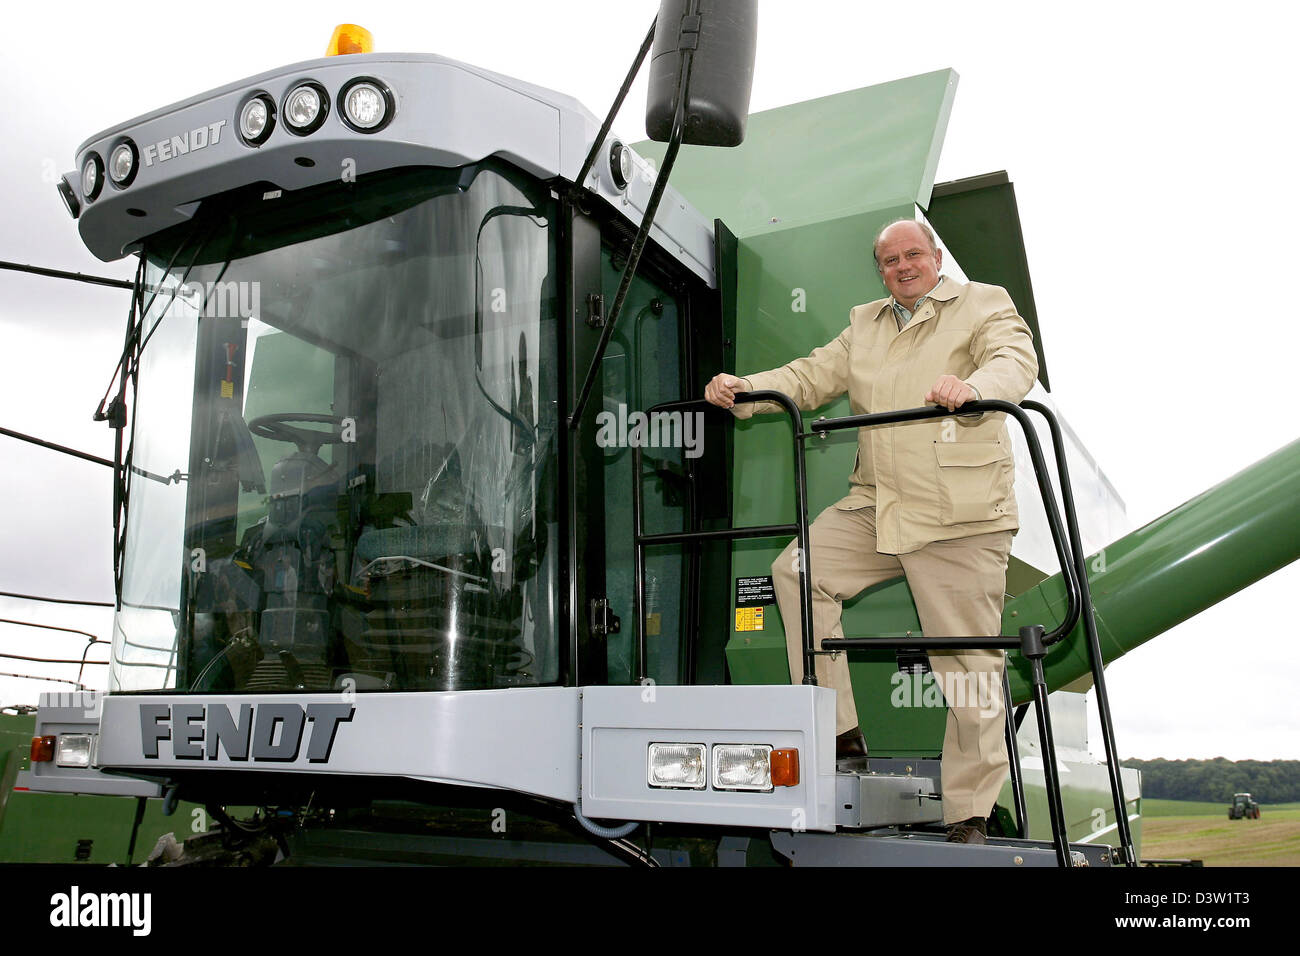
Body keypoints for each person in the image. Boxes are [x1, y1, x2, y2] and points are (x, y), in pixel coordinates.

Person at [704, 218, 1038, 843]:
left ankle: (970, 811)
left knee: (965, 660)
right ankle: (839, 734)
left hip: (959, 514)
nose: (903, 266)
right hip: (878, 505)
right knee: (797, 574)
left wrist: (974, 389)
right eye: (890, 259)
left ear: (936, 257)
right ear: (880, 270)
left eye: (914, 254)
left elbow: (1014, 359)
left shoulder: (983, 302)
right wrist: (747, 389)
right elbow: (809, 377)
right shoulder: (865, 323)